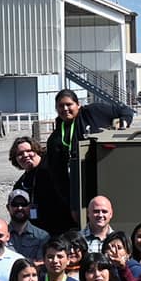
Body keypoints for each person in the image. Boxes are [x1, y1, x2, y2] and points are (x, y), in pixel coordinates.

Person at [10, 134, 74, 235]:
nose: (25, 155)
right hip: (39, 234)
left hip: (66, 228)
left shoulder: (53, 167)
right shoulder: (21, 184)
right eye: (20, 154)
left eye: (29, 151)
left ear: (36, 150)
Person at [41, 91, 86, 233]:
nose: (65, 109)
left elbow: (123, 111)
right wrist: (71, 204)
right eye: (61, 106)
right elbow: (57, 176)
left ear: (78, 105)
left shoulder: (88, 120)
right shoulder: (55, 139)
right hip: (71, 195)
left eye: (69, 104)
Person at [4, 189, 50, 261]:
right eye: (15, 204)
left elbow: (42, 263)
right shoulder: (0, 236)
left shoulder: (42, 237)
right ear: (8, 207)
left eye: (23, 204)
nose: (19, 208)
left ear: (30, 207)